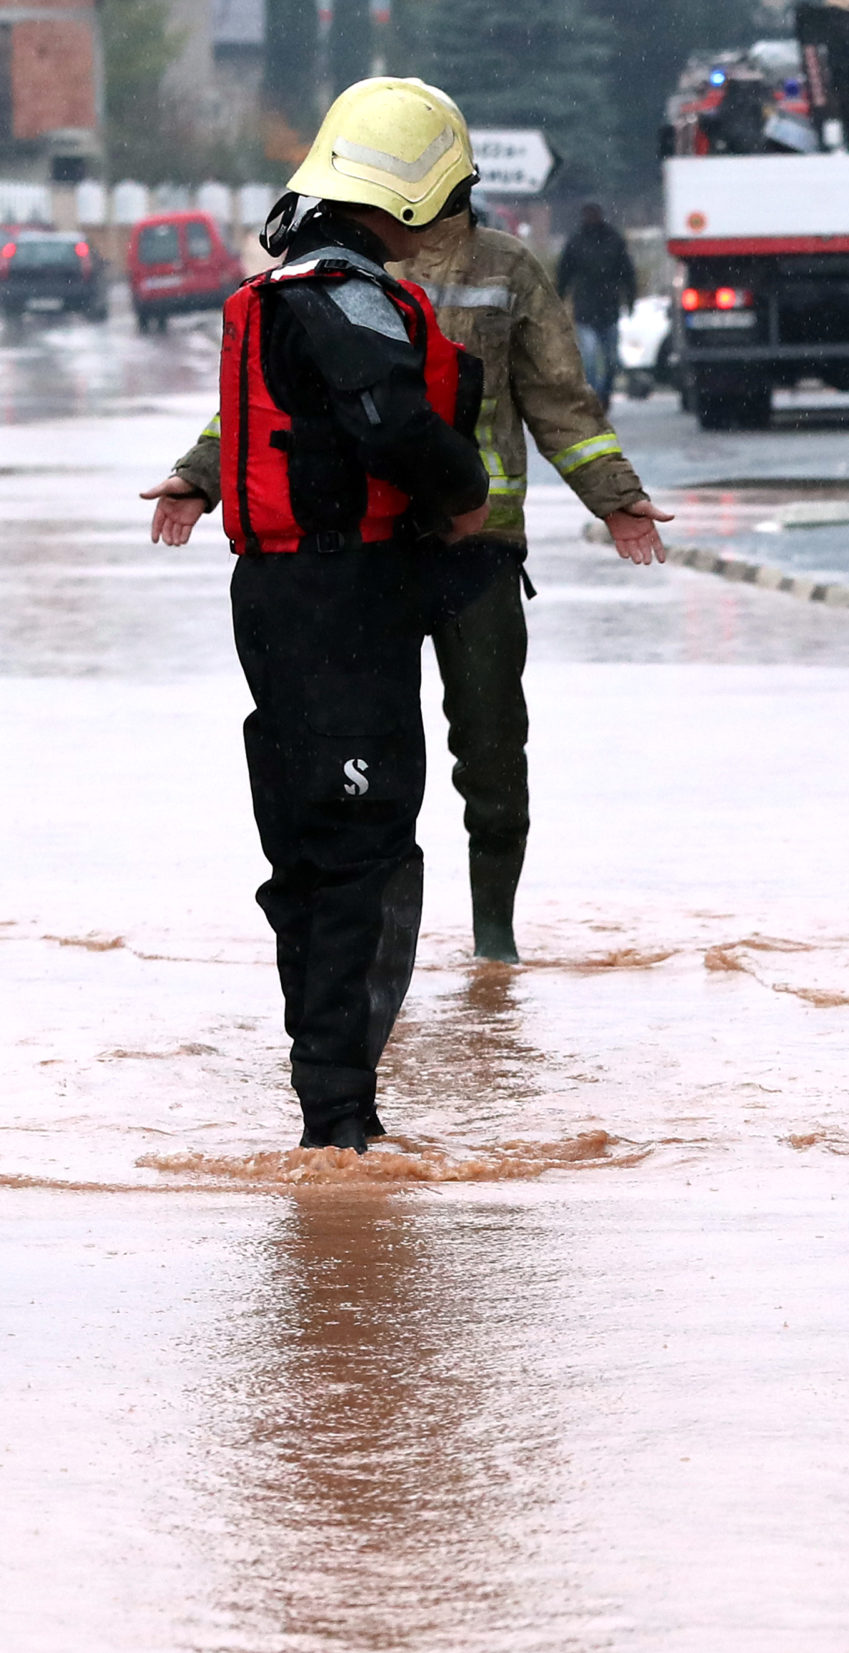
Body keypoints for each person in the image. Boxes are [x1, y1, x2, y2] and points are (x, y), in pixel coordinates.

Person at [156, 199, 677, 964]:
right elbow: (269, 398)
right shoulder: (339, 270)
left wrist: (616, 497)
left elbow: (558, 397)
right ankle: (368, 948)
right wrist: (199, 480)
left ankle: (492, 943)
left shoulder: (506, 267)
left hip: (481, 549)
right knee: (366, 759)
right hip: (373, 551)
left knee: (494, 748)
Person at [137, 79, 493, 1152]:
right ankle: (339, 1124)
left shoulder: (288, 284)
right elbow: (389, 420)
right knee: (354, 852)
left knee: (311, 848)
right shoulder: (345, 295)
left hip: (289, 597)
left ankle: (330, 1104)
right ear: (406, 197)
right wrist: (463, 489)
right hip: (340, 603)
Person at [555, 203, 637, 411]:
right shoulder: (577, 242)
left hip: (608, 308)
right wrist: (557, 300)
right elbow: (564, 274)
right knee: (590, 359)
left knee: (610, 361)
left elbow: (627, 271)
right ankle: (593, 398)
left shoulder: (612, 240)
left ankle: (604, 394)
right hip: (586, 309)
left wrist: (630, 298)